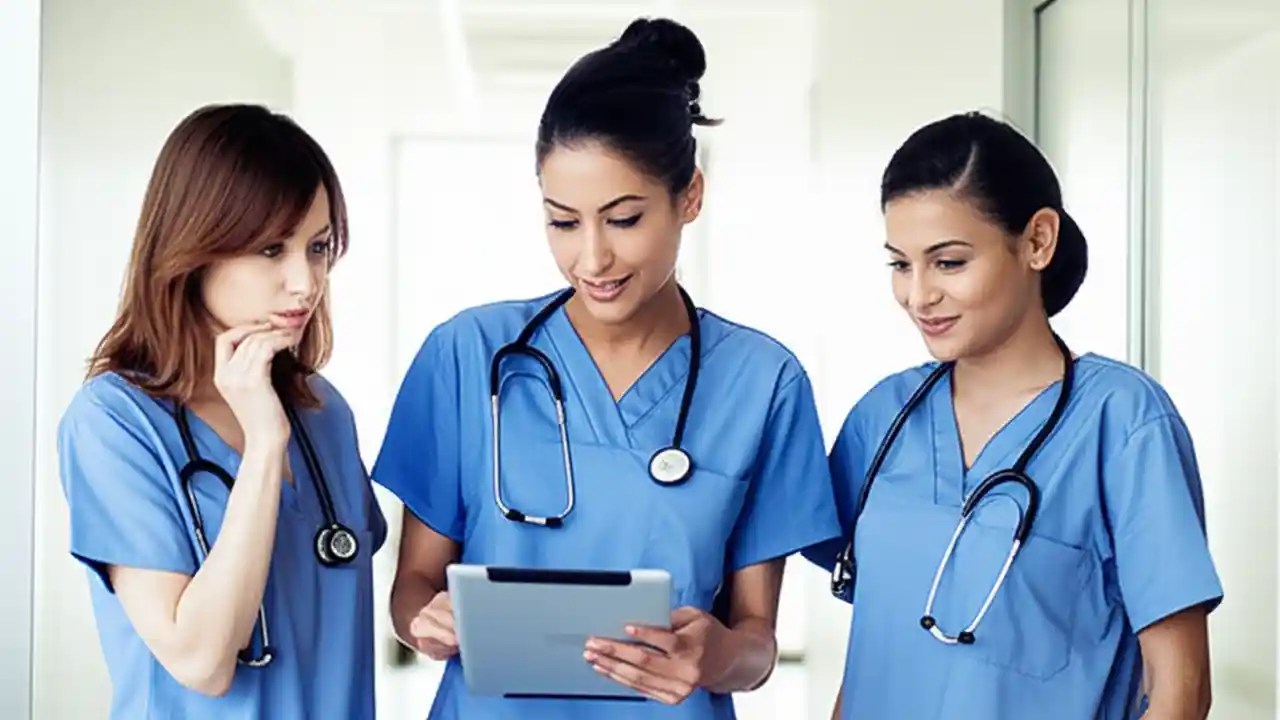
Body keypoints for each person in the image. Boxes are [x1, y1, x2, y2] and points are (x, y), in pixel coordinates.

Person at [374, 16, 840, 719]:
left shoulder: (762, 384)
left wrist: (716, 656)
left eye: (623, 219)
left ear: (690, 198)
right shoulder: (469, 356)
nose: (591, 259)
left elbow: (756, 642)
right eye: (563, 221)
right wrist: (424, 622)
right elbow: (412, 585)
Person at [805, 111, 1223, 719]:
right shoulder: (884, 417)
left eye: (948, 262)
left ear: (1036, 241)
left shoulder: (1123, 423)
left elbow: (1181, 689)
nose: (919, 295)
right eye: (900, 264)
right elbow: (879, 647)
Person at [56, 103, 387, 719]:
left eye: (317, 248)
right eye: (270, 250)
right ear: (194, 250)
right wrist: (263, 445)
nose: (304, 282)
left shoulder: (323, 415)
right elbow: (202, 662)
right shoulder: (115, 424)